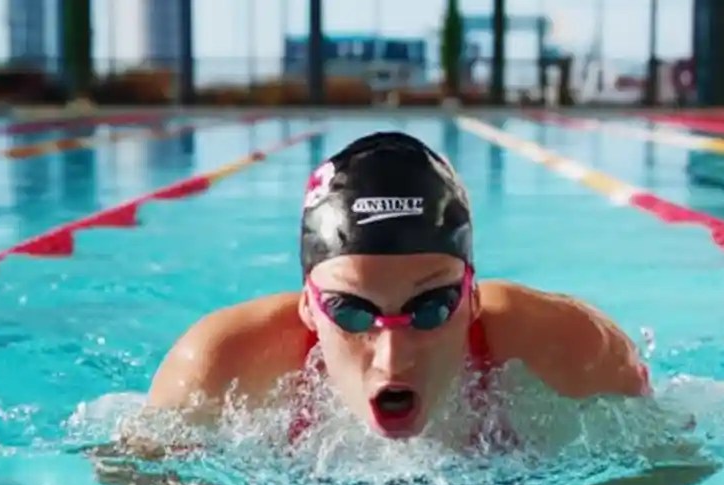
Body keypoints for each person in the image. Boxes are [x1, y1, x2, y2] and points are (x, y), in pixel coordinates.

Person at [132, 130, 651, 449]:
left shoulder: (569, 348)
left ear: (471, 299)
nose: (393, 356)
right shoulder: (221, 365)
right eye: (352, 313)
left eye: (432, 307)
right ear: (308, 309)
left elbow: (674, 462)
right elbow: (131, 473)